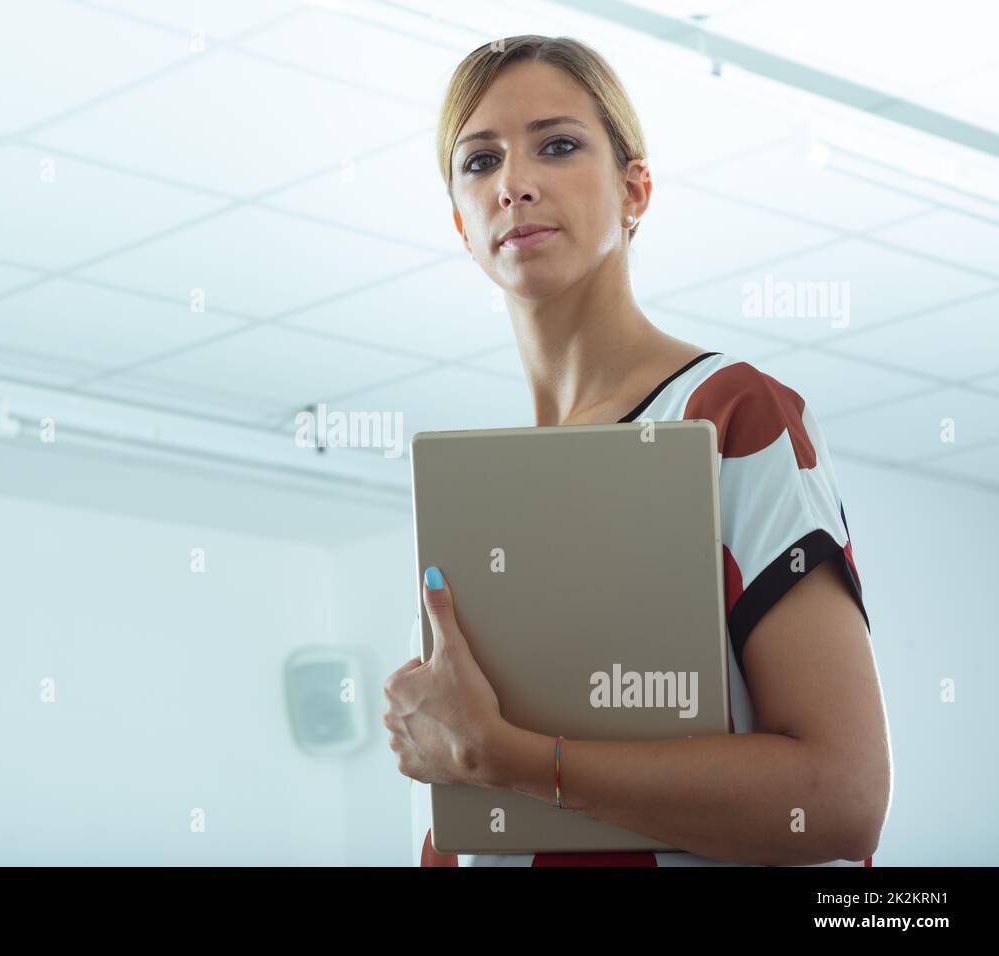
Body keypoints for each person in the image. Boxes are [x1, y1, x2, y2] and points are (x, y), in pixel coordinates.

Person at [381, 35, 892, 867]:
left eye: (557, 145)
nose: (514, 182)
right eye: (480, 162)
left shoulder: (730, 415)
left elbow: (841, 798)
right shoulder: (476, 505)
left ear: (635, 189)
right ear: (460, 225)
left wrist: (515, 761)